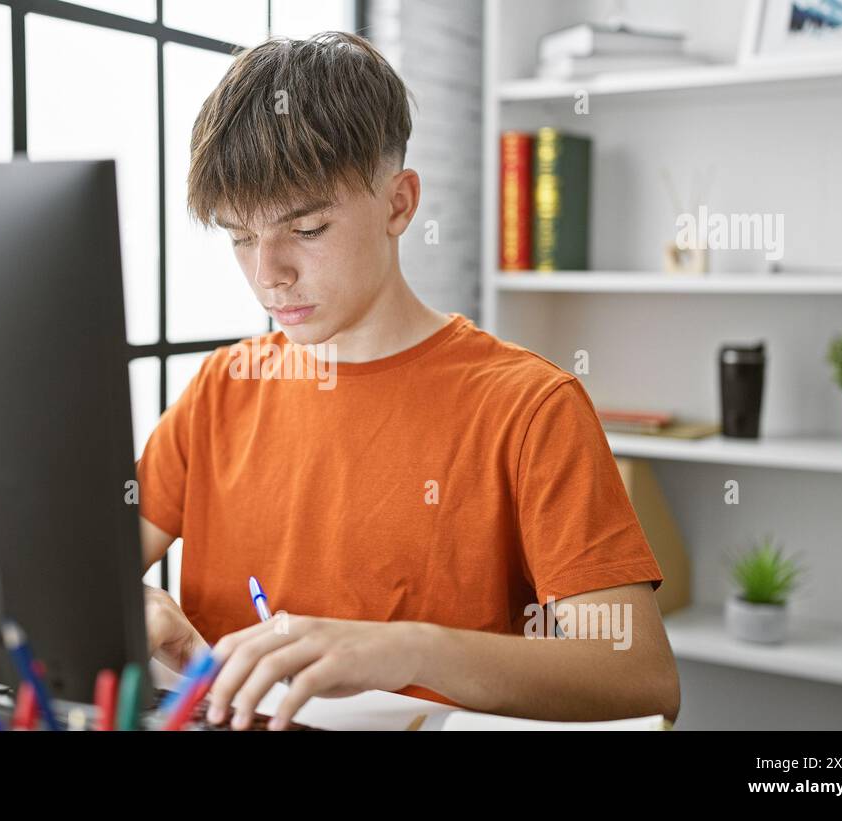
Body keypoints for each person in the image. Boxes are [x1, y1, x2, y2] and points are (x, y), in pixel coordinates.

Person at [138, 32, 680, 730]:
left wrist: (410, 650)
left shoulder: (530, 407)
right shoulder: (222, 388)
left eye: (306, 229)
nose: (267, 272)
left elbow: (641, 676)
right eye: (240, 236)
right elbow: (80, 557)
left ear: (399, 205)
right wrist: (130, 605)